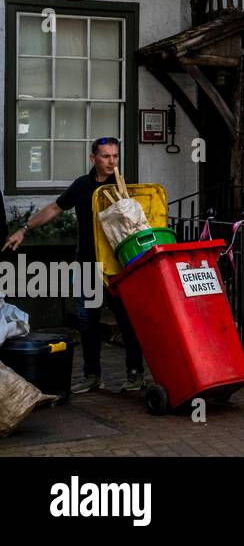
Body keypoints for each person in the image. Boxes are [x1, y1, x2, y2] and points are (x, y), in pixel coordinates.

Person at [2, 137, 144, 394]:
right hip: (88, 266)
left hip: (119, 267)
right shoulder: (82, 186)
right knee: (88, 323)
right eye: (105, 156)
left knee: (127, 321)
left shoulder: (125, 188)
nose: (112, 161)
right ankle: (92, 376)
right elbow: (55, 208)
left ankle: (135, 374)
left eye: (115, 156)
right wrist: (24, 229)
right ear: (93, 159)